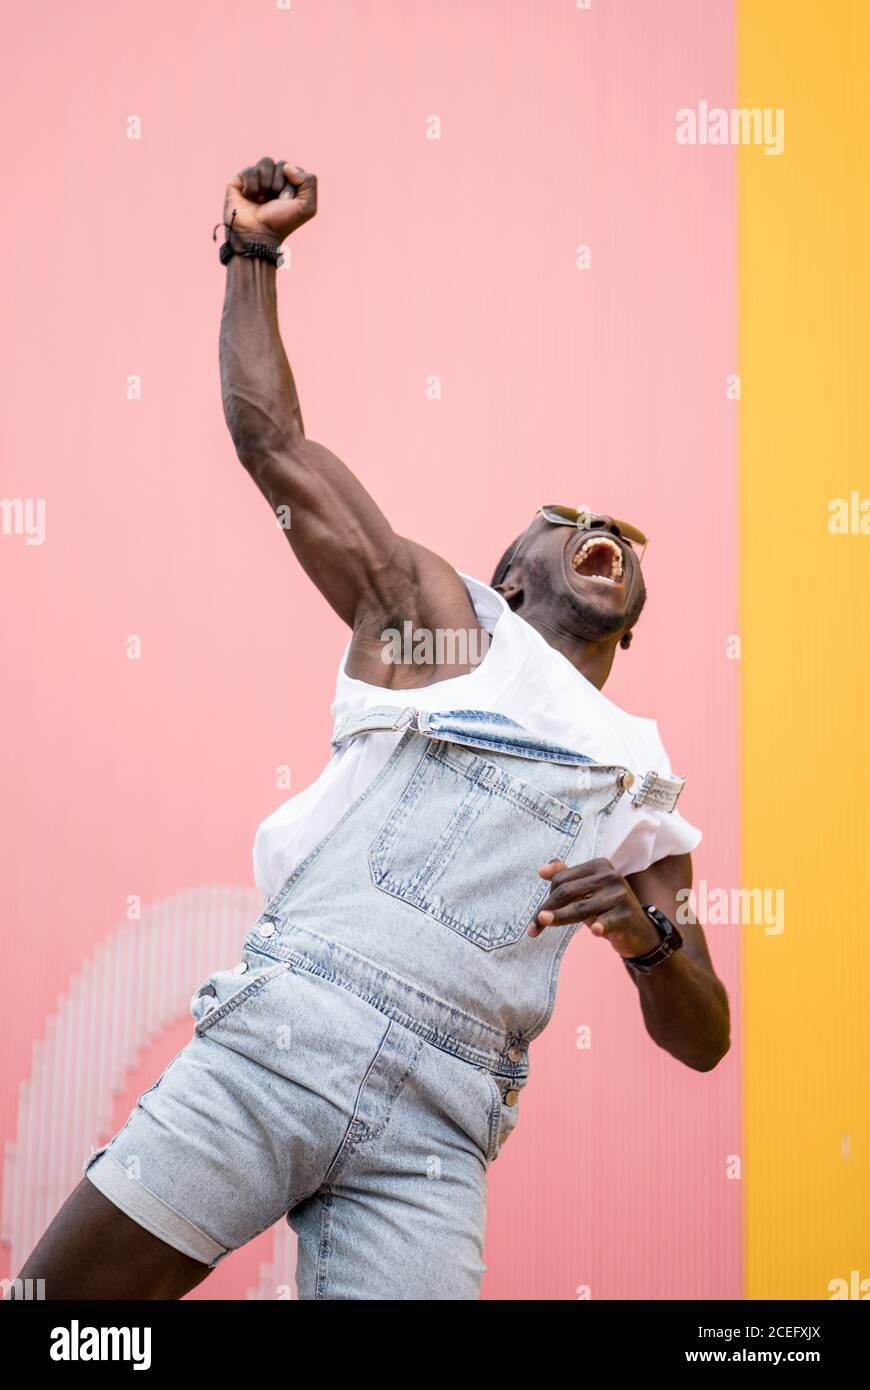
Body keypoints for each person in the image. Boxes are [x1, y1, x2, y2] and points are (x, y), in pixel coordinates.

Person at [14, 158, 729, 1302]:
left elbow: (703, 1035)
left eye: (622, 533)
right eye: (570, 521)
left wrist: (645, 942)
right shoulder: (439, 624)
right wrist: (251, 251)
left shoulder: (640, 781)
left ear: (633, 620)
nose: (602, 529)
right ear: (512, 572)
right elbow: (274, 445)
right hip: (289, 1040)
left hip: (439, 1136)